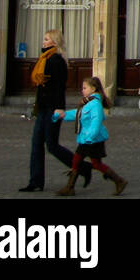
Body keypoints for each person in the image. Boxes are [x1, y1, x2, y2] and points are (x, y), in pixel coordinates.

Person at [19, 29, 89, 192]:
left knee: (52, 145)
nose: (43, 42)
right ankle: (35, 181)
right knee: (36, 143)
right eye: (44, 39)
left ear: (54, 43)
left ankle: (82, 167)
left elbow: (58, 87)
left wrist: (58, 108)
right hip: (43, 108)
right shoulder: (44, 59)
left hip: (53, 108)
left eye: (46, 39)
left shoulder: (56, 61)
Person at [52, 76, 127, 196]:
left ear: (93, 89)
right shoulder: (88, 102)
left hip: (92, 140)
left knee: (92, 163)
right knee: (78, 161)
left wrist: (90, 137)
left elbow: (96, 121)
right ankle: (70, 187)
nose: (82, 90)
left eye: (84, 88)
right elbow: (79, 114)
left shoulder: (94, 103)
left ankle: (119, 181)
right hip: (87, 139)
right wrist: (63, 115)